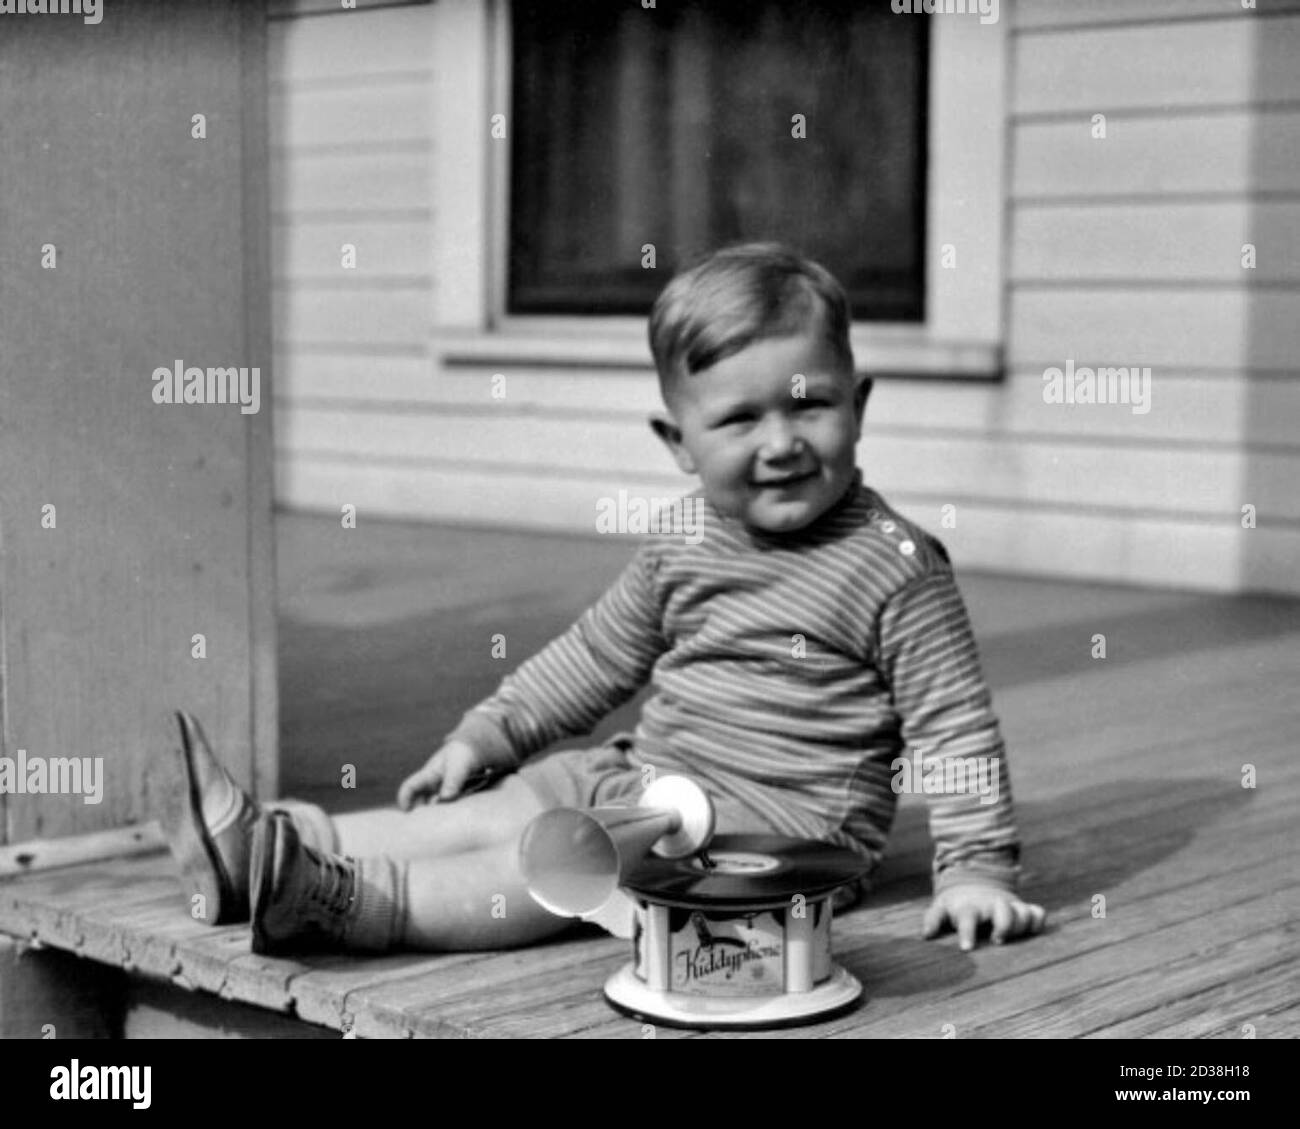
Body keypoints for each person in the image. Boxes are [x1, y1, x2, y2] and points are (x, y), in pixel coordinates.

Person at [161, 243, 1046, 956]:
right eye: (741, 420)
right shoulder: (683, 539)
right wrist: (489, 732)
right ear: (679, 441)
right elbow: (595, 656)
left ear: (860, 403)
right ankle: (267, 844)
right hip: (646, 772)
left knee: (551, 867)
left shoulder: (894, 565)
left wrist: (978, 870)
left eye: (810, 407)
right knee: (504, 805)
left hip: (776, 836)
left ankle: (349, 905)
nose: (782, 442)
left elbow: (956, 727)